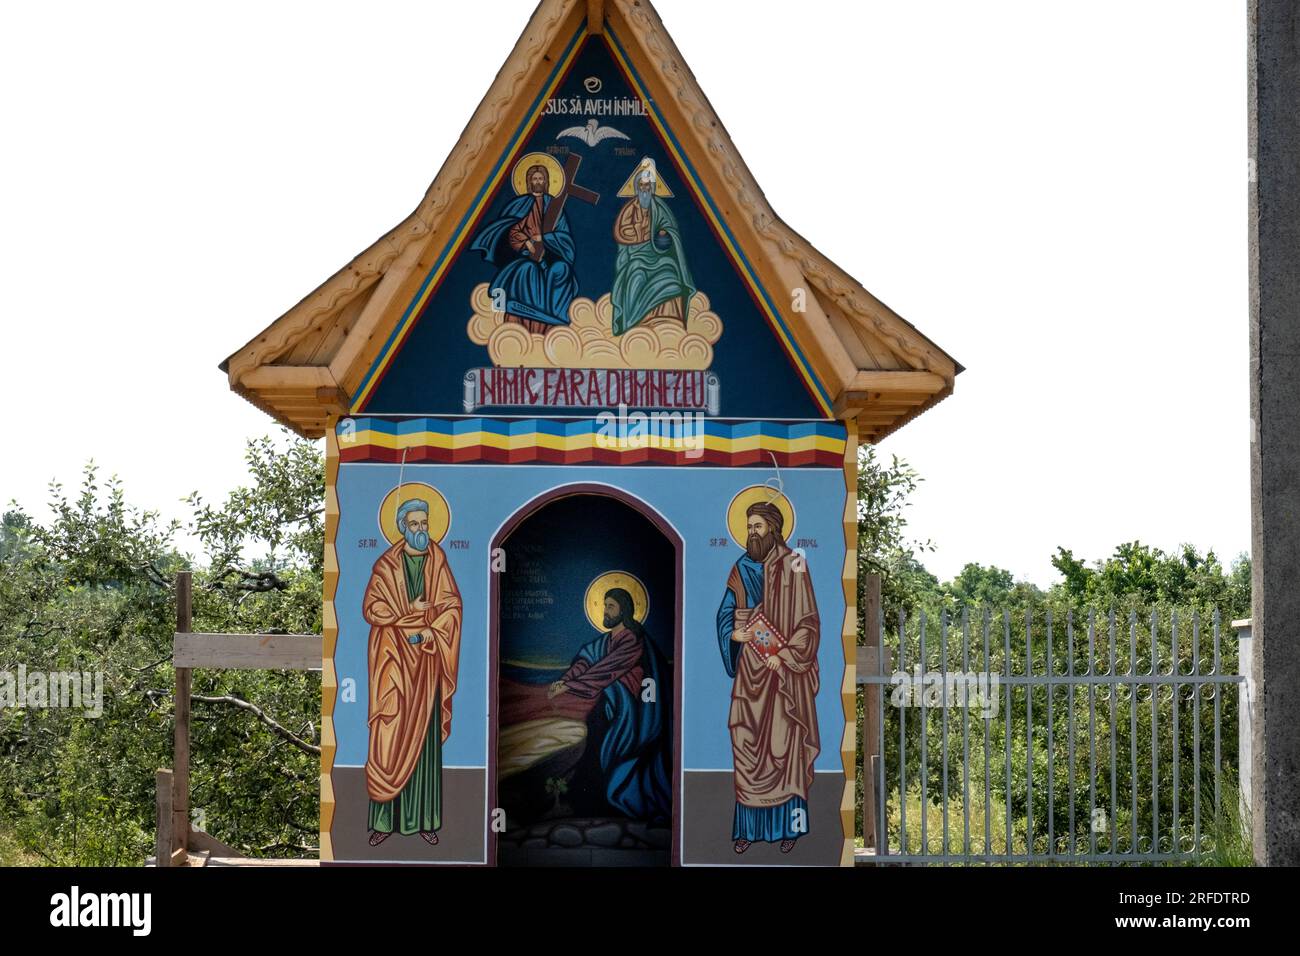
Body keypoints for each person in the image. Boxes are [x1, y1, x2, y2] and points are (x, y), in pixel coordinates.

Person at [715, 501, 820, 854]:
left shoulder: (795, 564)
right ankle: (747, 829)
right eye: (748, 527)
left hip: (783, 678)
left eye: (757, 526)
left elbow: (809, 623)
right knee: (745, 742)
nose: (751, 533)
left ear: (774, 529)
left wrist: (787, 656)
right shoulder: (741, 567)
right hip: (750, 672)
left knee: (784, 747)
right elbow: (725, 613)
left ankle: (788, 828)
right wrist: (735, 634)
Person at [362, 498, 463, 847]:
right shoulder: (386, 566)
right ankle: (383, 822)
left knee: (424, 742)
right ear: (403, 526)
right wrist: (408, 611)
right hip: (393, 665)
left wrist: (427, 632)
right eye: (415, 524)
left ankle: (425, 820)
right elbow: (372, 608)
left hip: (427, 665)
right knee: (388, 737)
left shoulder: (438, 562)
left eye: (425, 523)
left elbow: (452, 609)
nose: (422, 530)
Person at [548, 588, 672, 822]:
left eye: (611, 606)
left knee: (599, 737)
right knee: (594, 736)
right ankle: (586, 802)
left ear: (623, 609)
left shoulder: (633, 639)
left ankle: (602, 802)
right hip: (609, 704)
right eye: (604, 606)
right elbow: (587, 660)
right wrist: (565, 680)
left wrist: (571, 686)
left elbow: (608, 669)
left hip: (631, 711)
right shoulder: (606, 640)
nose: (605, 611)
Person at [471, 163, 579, 333]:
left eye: (541, 178)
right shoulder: (520, 205)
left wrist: (545, 238)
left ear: (546, 181)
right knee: (527, 269)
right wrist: (528, 242)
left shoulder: (555, 208)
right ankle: (526, 321)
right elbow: (511, 231)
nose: (538, 181)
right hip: (526, 257)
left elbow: (565, 238)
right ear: (529, 181)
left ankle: (554, 321)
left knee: (562, 269)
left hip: (551, 258)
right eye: (534, 178)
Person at [611, 158, 694, 335]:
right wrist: (639, 230)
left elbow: (670, 229)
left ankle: (668, 319)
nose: (644, 189)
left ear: (653, 188)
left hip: (658, 254)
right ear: (636, 187)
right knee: (636, 273)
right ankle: (635, 324)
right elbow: (621, 232)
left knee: (671, 270)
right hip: (636, 255)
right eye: (641, 186)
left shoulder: (660, 208)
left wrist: (664, 234)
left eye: (648, 186)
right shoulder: (630, 209)